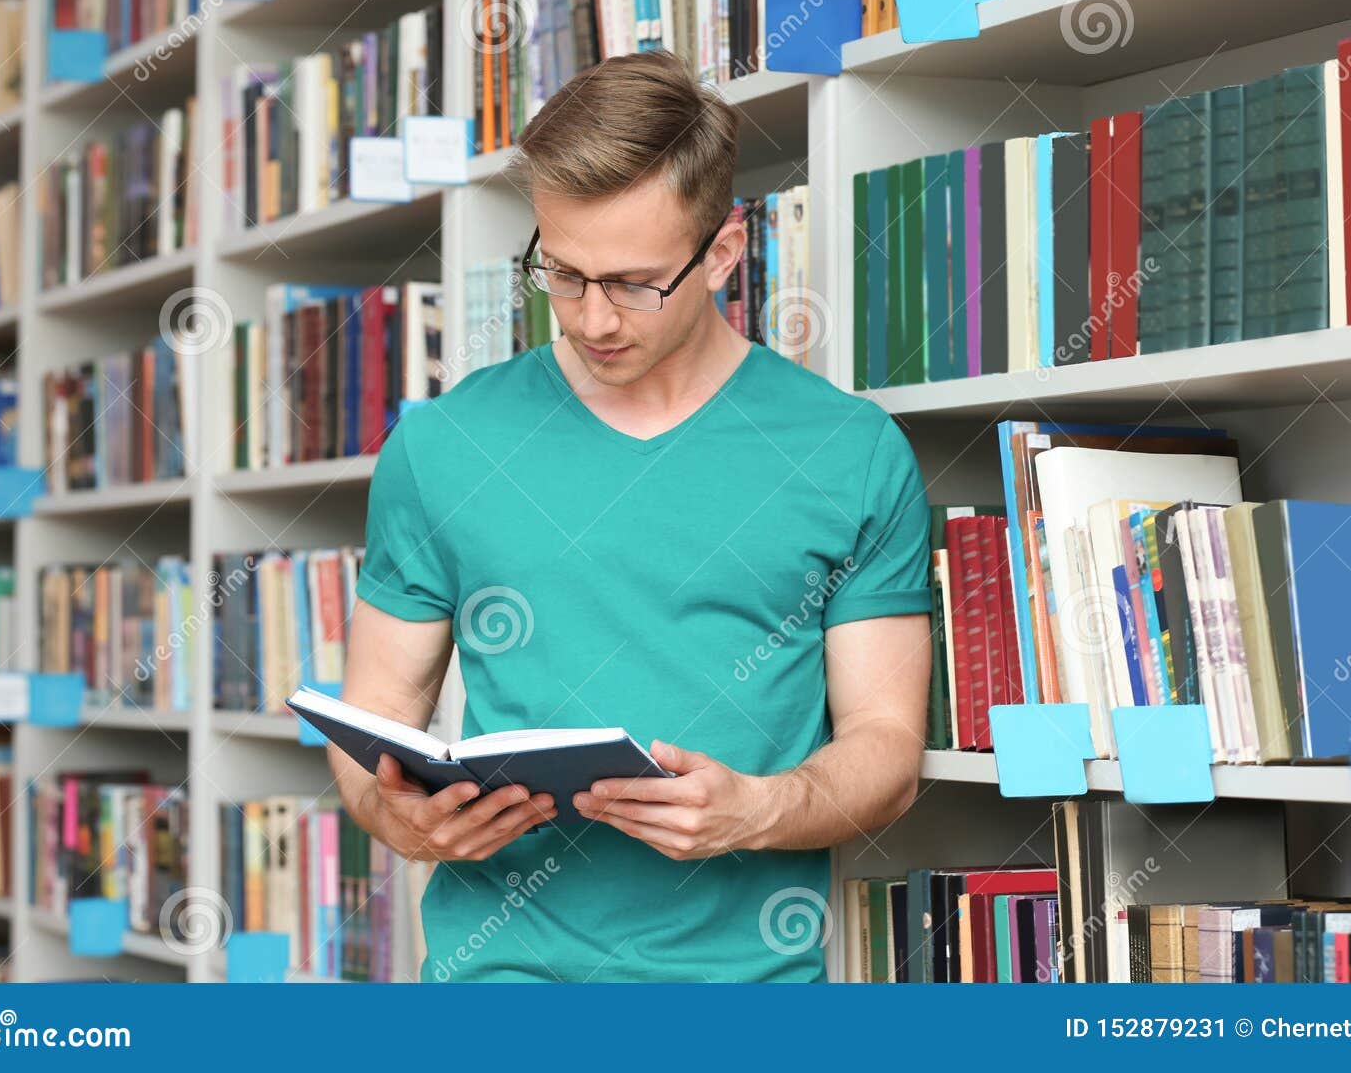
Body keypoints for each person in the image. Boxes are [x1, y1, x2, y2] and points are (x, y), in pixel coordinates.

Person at [329, 49, 932, 982]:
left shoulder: (849, 453)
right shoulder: (442, 445)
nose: (593, 319)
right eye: (562, 274)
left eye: (634, 282)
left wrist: (759, 808)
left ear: (724, 252)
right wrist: (391, 813)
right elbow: (375, 714)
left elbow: (888, 747)